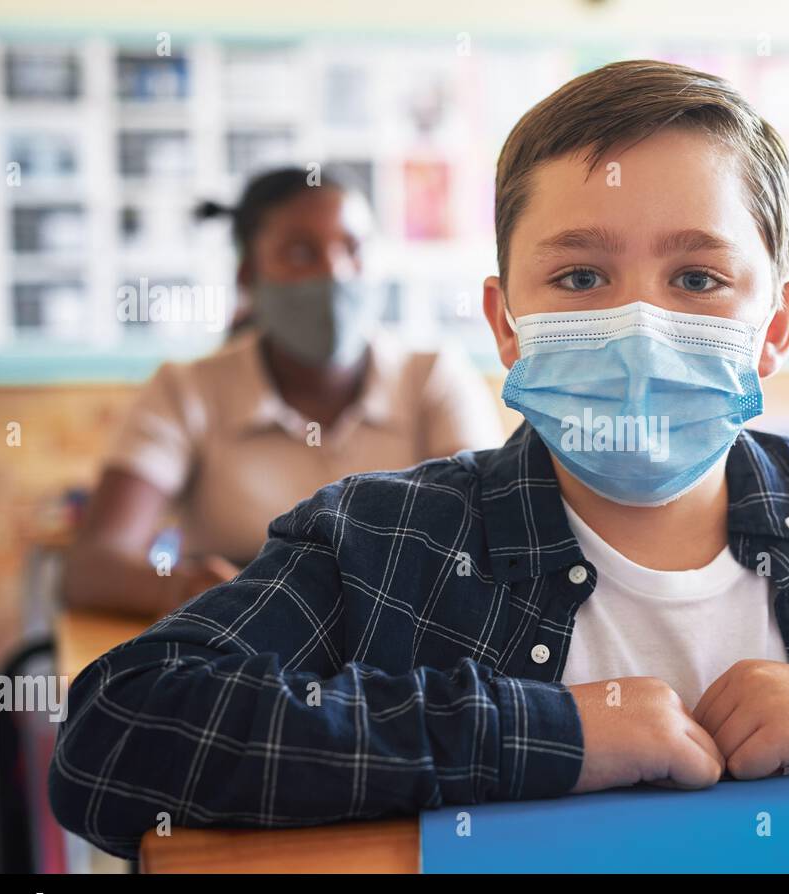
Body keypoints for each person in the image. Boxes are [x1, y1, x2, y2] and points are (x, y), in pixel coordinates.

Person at [51, 61, 789, 861]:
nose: (635, 322)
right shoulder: (381, 541)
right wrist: (551, 736)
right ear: (505, 322)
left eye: (697, 277)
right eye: (578, 277)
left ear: (775, 324)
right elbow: (120, 734)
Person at [61, 167, 504, 618]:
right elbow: (93, 565)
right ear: (249, 277)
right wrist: (192, 592)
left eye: (353, 249)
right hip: (244, 652)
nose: (334, 271)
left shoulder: (434, 380)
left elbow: (488, 546)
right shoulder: (188, 390)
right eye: (299, 253)